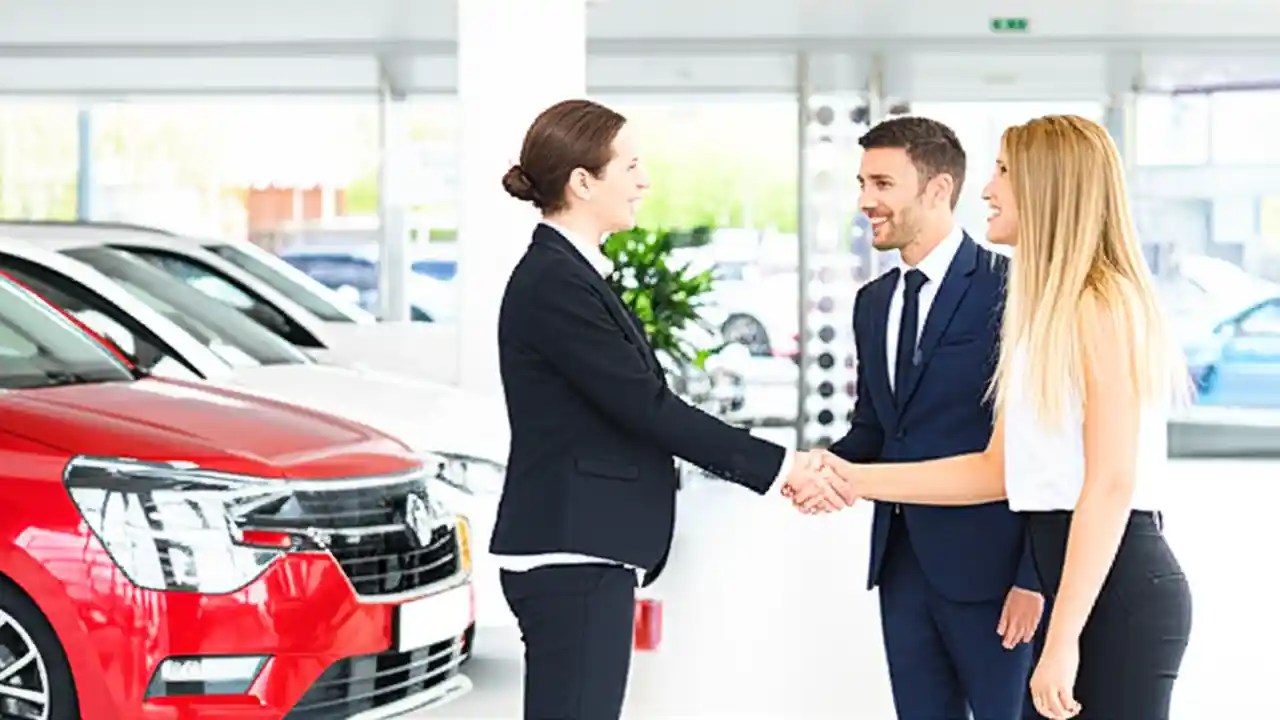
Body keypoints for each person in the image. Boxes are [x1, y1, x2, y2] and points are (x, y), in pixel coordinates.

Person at [793, 114, 1194, 720]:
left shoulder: (1101, 304)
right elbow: (993, 470)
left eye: (1004, 170)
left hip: (1117, 595)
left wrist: (1060, 642)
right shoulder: (1041, 314)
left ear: (1047, 186)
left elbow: (1110, 486)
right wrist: (839, 475)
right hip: (1073, 586)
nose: (985, 188)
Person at [491, 98, 833, 720]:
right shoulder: (555, 283)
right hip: (574, 553)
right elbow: (646, 406)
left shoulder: (572, 274)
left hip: (584, 548)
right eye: (631, 165)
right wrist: (781, 468)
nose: (644, 181)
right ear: (583, 182)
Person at [820, 116, 1044, 720]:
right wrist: (814, 469)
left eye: (882, 184)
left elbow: (1043, 451)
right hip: (901, 566)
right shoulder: (873, 304)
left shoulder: (1012, 291)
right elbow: (876, 428)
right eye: (862, 183)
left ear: (938, 189)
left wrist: (1035, 578)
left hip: (996, 573)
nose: (866, 201)